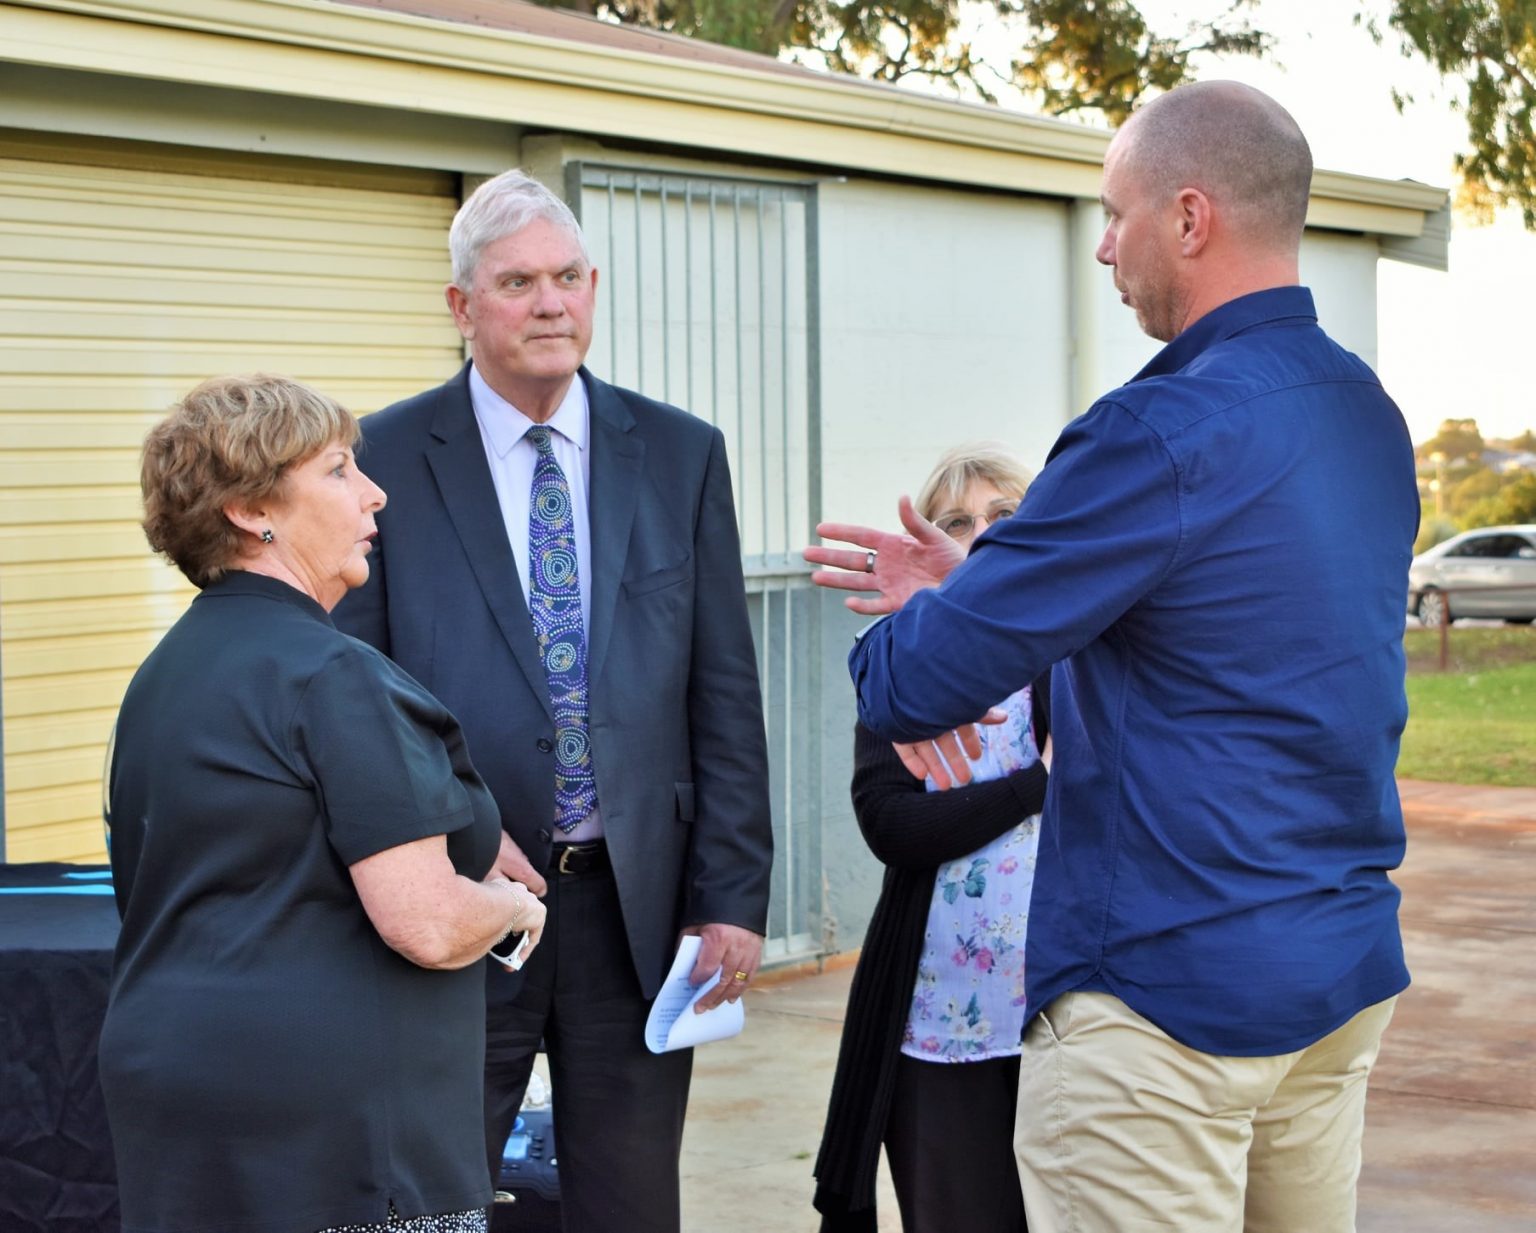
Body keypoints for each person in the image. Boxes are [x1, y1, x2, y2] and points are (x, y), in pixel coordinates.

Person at [805, 81, 1418, 1233]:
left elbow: (912, 685)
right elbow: (1226, 630)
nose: (1103, 249)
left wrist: (929, 615)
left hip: (1166, 1011)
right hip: (1334, 980)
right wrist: (985, 584)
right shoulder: (1365, 417)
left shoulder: (1156, 431)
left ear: (1189, 218)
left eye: (1115, 213)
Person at [333, 169, 773, 1233]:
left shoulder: (680, 454)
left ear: (594, 287)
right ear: (462, 305)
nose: (549, 304)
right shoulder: (381, 460)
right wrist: (448, 834)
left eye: (568, 278)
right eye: (518, 282)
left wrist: (731, 894)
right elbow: (357, 697)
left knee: (631, 1204)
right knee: (431, 1199)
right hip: (463, 905)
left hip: (636, 910)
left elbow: (723, 688)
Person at [101, 374, 547, 1233]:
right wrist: (511, 906)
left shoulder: (162, 677)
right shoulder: (335, 676)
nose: (375, 493)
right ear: (250, 511)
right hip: (338, 1143)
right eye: (339, 470)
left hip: (179, 1107)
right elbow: (426, 923)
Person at [813, 444, 1050, 1233]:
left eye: (1003, 514)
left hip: (1071, 1015)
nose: (981, 533)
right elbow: (892, 824)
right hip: (943, 1019)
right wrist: (1034, 784)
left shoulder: (1077, 650)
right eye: (956, 521)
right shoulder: (905, 663)